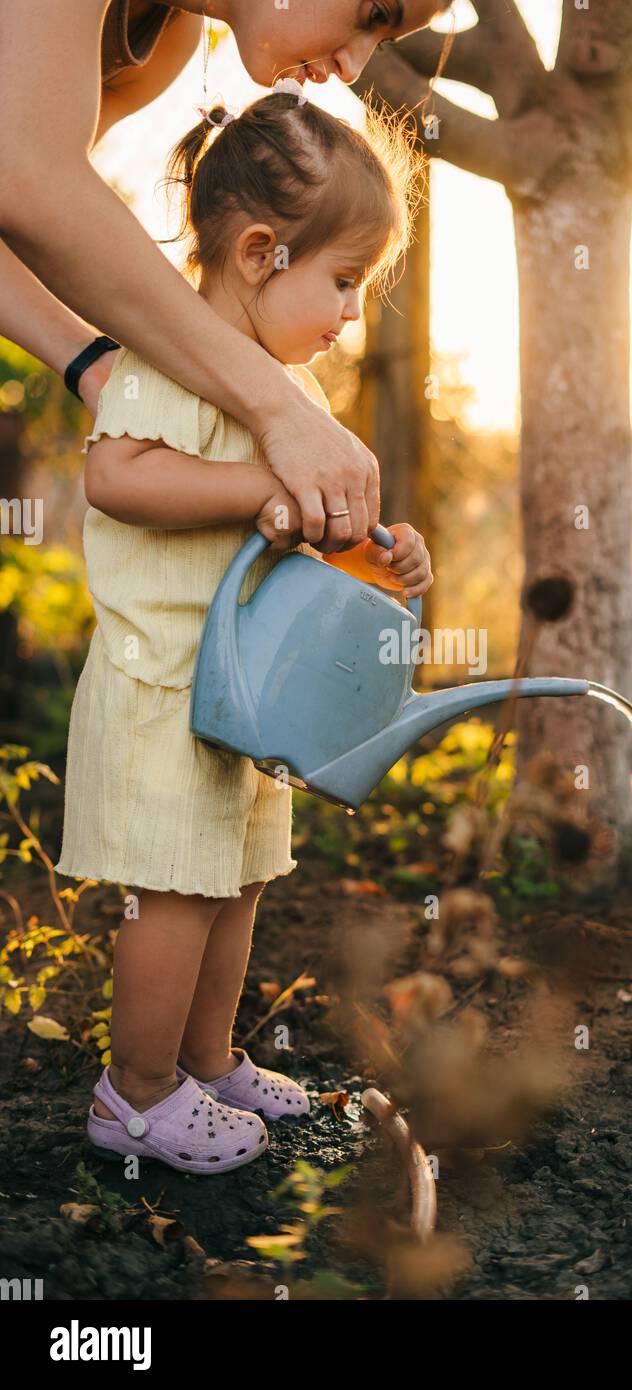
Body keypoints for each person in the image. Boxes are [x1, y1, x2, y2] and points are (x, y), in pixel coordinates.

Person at [55, 80, 434, 1173]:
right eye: (346, 280)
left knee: (234, 880)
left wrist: (384, 550)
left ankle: (206, 1062)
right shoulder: (164, 360)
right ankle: (133, 1095)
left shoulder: (285, 394)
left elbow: (311, 529)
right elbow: (117, 477)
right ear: (261, 251)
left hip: (241, 697)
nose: (353, 312)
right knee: (173, 890)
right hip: (164, 685)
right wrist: (249, 489)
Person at [0, 0, 450, 548]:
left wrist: (89, 363)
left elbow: (22, 199)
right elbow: (25, 175)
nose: (354, 66)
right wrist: (280, 411)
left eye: (383, 41)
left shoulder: (165, 38)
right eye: (375, 11)